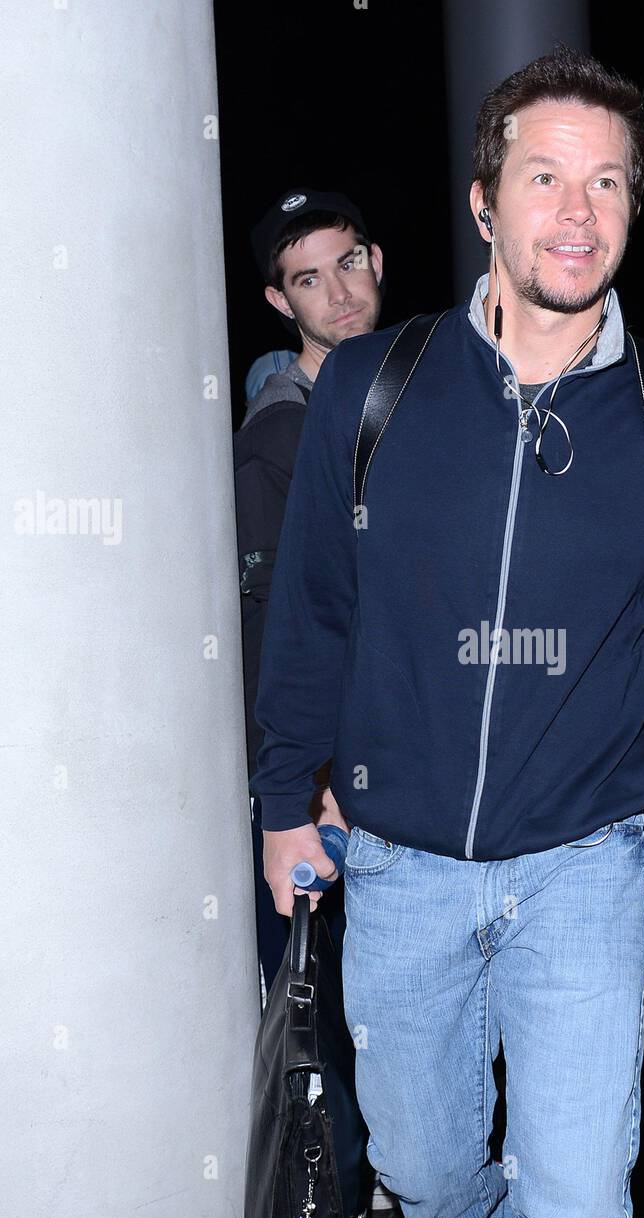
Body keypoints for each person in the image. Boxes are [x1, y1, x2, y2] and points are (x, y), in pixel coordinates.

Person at [251, 46, 644, 1218]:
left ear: (633, 211)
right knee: (422, 1181)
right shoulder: (372, 386)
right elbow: (311, 616)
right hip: (397, 865)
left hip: (584, 867)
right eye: (545, 178)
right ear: (483, 204)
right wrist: (283, 804)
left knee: (579, 1204)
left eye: (609, 183)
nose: (578, 212)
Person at [233, 186, 384, 991]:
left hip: (421, 767)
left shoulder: (411, 392)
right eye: (308, 279)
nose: (339, 292)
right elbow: (275, 628)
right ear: (278, 299)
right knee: (345, 1022)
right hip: (345, 791)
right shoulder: (280, 436)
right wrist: (311, 785)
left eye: (349, 262)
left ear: (376, 261)